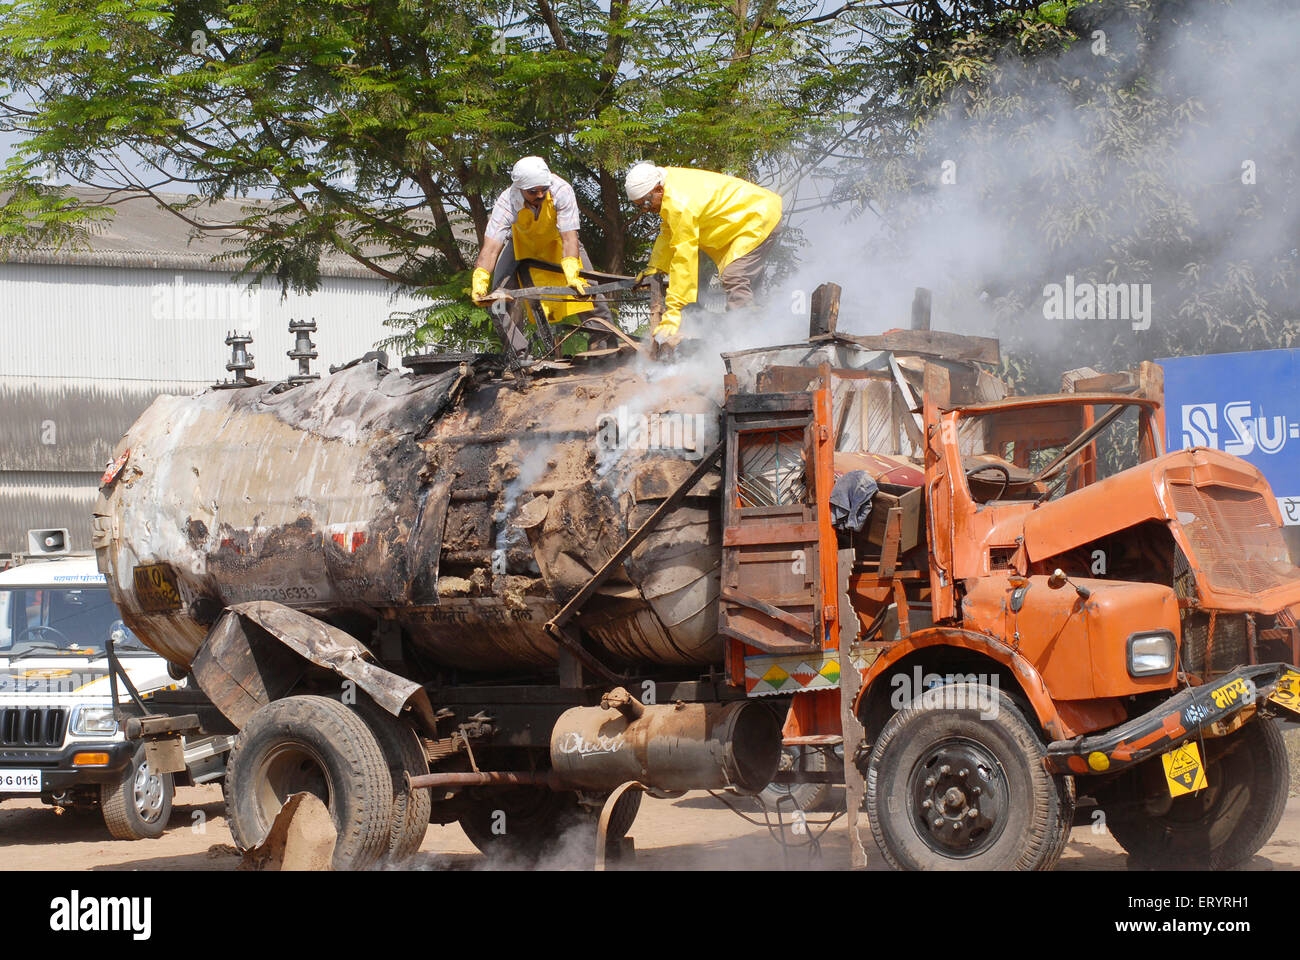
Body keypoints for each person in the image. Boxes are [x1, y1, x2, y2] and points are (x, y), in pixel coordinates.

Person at [624, 162, 782, 345]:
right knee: (747, 290)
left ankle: (745, 343)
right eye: (639, 206)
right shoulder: (669, 187)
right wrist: (656, 266)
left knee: (735, 277)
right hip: (742, 224)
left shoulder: (679, 203)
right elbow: (668, 233)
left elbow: (684, 257)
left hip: (757, 218)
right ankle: (760, 336)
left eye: (645, 202)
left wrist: (673, 310)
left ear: (658, 189)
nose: (645, 209)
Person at [470, 156, 611, 356]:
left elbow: (570, 238)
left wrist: (572, 274)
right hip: (521, 246)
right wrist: (480, 280)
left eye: (543, 189)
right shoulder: (506, 201)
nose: (540, 195)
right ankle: (518, 355)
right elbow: (491, 248)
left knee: (589, 289)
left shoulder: (561, 190)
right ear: (519, 189)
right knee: (498, 300)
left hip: (559, 242)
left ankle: (605, 347)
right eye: (533, 192)